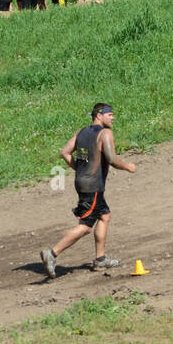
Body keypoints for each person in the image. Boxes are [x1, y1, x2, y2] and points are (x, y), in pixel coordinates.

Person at [40, 103, 136, 278]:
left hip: (84, 183)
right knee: (85, 226)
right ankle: (52, 253)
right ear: (99, 115)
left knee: (104, 216)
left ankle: (100, 259)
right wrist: (128, 166)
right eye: (110, 115)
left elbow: (65, 152)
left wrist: (79, 168)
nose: (112, 118)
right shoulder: (105, 133)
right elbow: (112, 159)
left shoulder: (81, 132)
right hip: (93, 186)